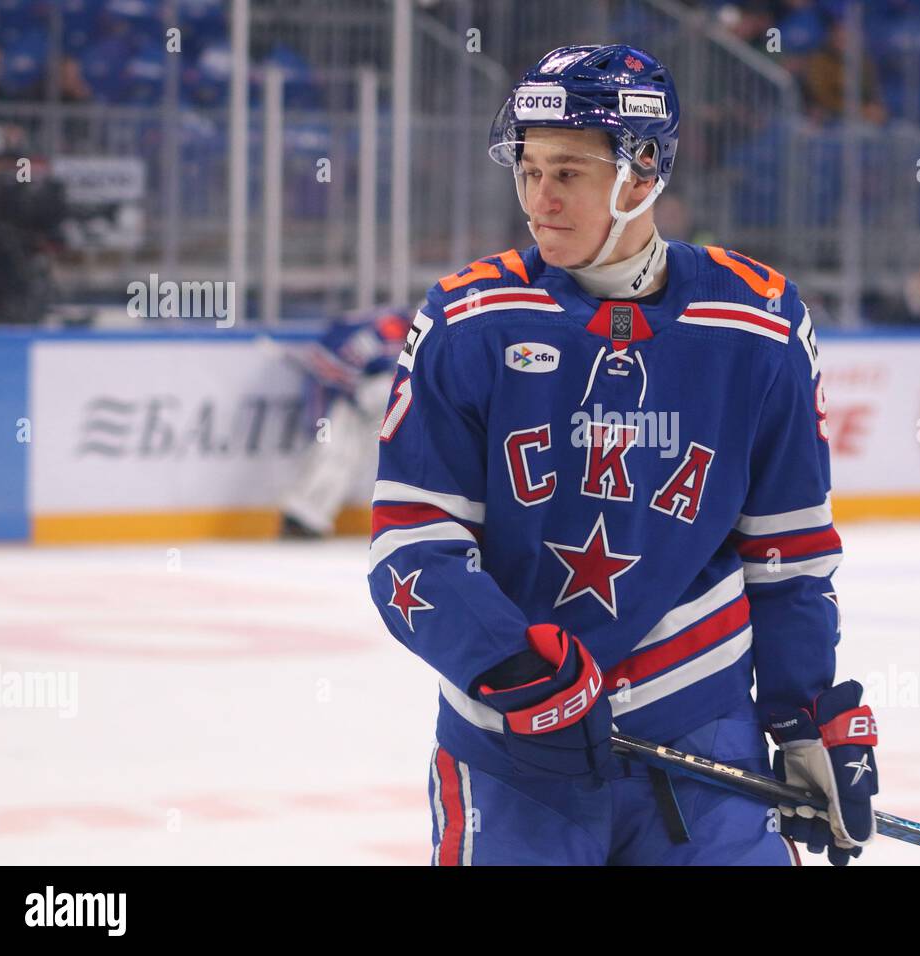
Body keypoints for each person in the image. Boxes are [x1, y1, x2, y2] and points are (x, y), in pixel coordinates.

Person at [367, 44, 878, 866]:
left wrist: (807, 714)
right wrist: (506, 664)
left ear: (642, 175)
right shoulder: (471, 320)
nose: (540, 199)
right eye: (529, 170)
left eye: (567, 171)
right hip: (514, 760)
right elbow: (409, 549)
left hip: (705, 747)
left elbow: (788, 556)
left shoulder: (759, 325)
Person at [279, 308, 411, 538]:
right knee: (332, 453)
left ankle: (311, 518)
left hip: (363, 402)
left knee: (350, 459)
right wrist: (357, 390)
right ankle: (299, 516)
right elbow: (329, 365)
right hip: (336, 397)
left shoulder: (410, 333)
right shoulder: (386, 331)